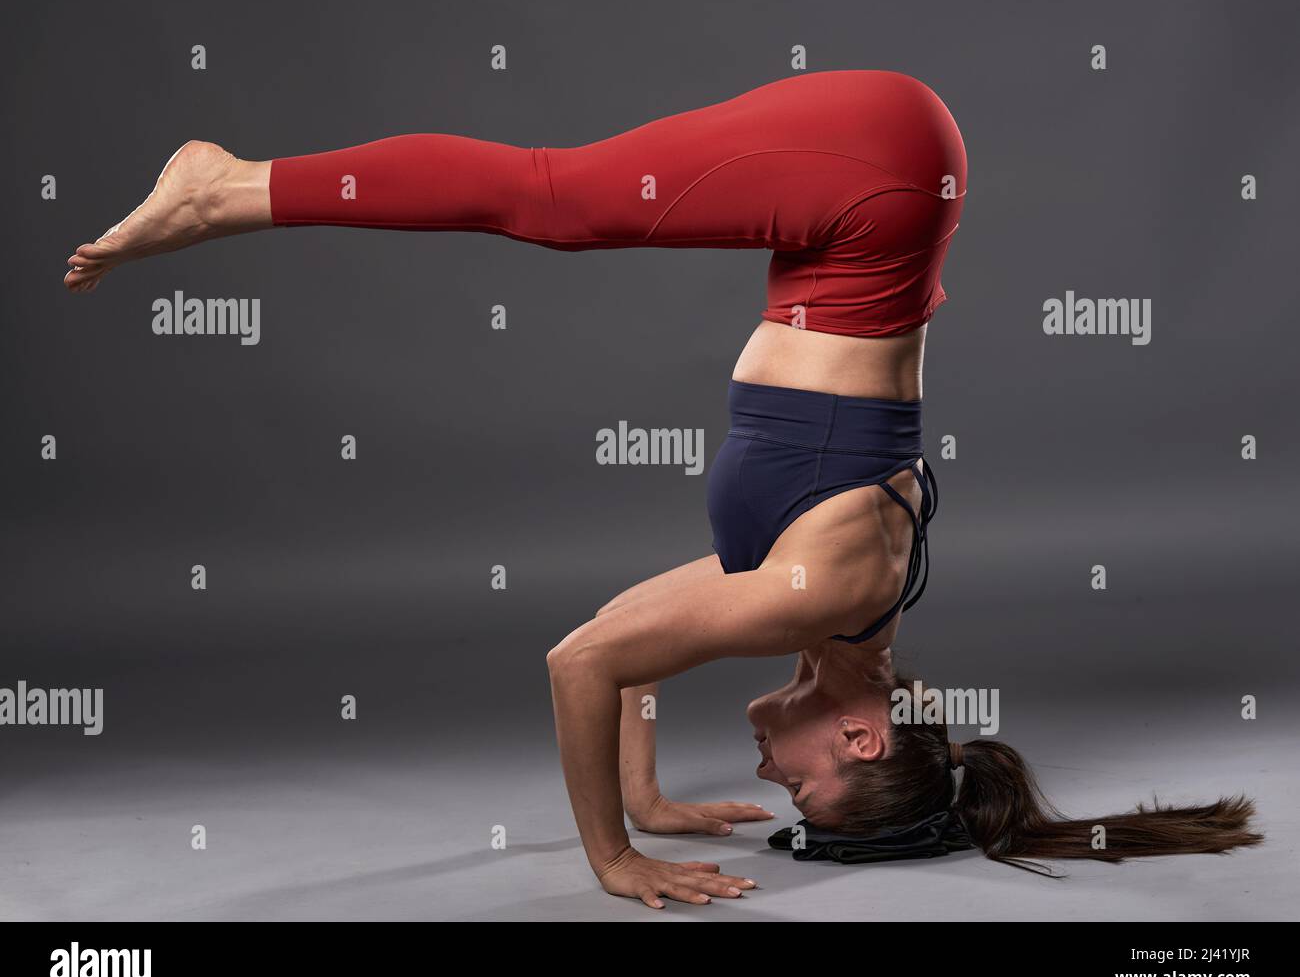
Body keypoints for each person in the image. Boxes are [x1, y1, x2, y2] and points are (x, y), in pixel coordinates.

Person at [64, 70, 1260, 909]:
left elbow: (634, 651)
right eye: (807, 786)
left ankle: (230, 187)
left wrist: (647, 798)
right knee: (556, 202)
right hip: (874, 180)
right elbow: (580, 659)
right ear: (861, 733)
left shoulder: (835, 625)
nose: (767, 780)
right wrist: (611, 861)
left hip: (874, 201)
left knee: (564, 202)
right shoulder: (816, 597)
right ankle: (225, 185)